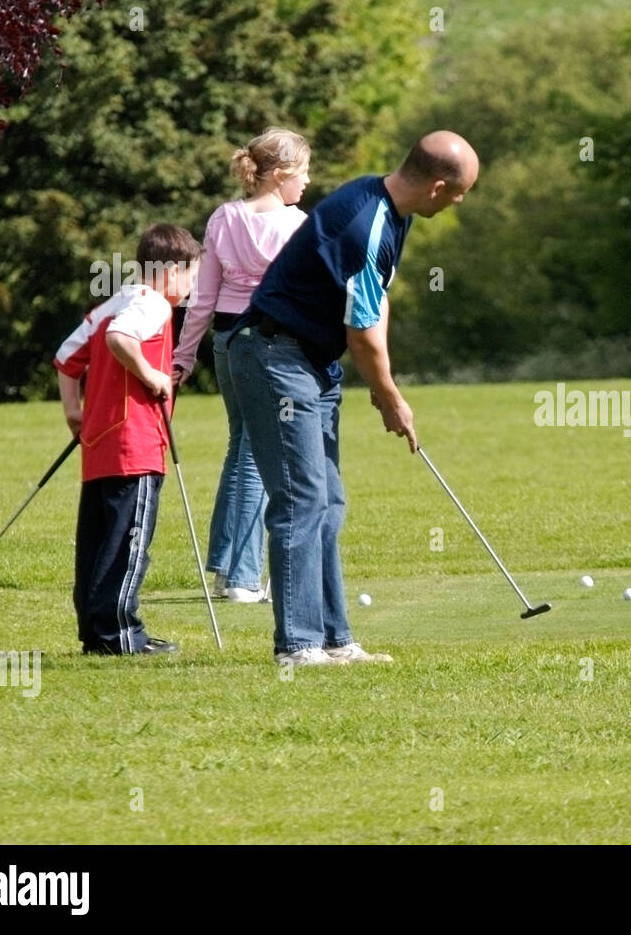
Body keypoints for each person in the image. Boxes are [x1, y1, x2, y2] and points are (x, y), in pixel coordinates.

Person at [228, 131, 480, 666]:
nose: (460, 200)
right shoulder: (366, 221)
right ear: (438, 187)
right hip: (275, 355)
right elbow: (361, 331)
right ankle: (297, 645)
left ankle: (335, 639)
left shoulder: (391, 210)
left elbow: (373, 301)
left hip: (311, 361)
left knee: (328, 502)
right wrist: (388, 394)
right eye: (460, 192)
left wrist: (382, 382)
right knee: (301, 499)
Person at [172, 128, 311, 603]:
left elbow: (202, 298)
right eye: (304, 172)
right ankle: (242, 577)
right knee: (256, 453)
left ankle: (232, 569)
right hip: (270, 346)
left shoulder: (224, 216)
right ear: (280, 176)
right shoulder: (297, 225)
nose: (308, 182)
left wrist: (184, 354)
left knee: (242, 448)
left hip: (227, 343)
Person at [54, 224, 203, 655]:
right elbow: (122, 338)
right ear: (172, 271)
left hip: (99, 444)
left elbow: (66, 358)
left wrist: (72, 412)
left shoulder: (115, 301)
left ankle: (97, 633)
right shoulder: (153, 303)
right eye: (192, 275)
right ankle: (120, 635)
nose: (192, 286)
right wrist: (154, 374)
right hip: (134, 443)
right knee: (127, 543)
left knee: (98, 544)